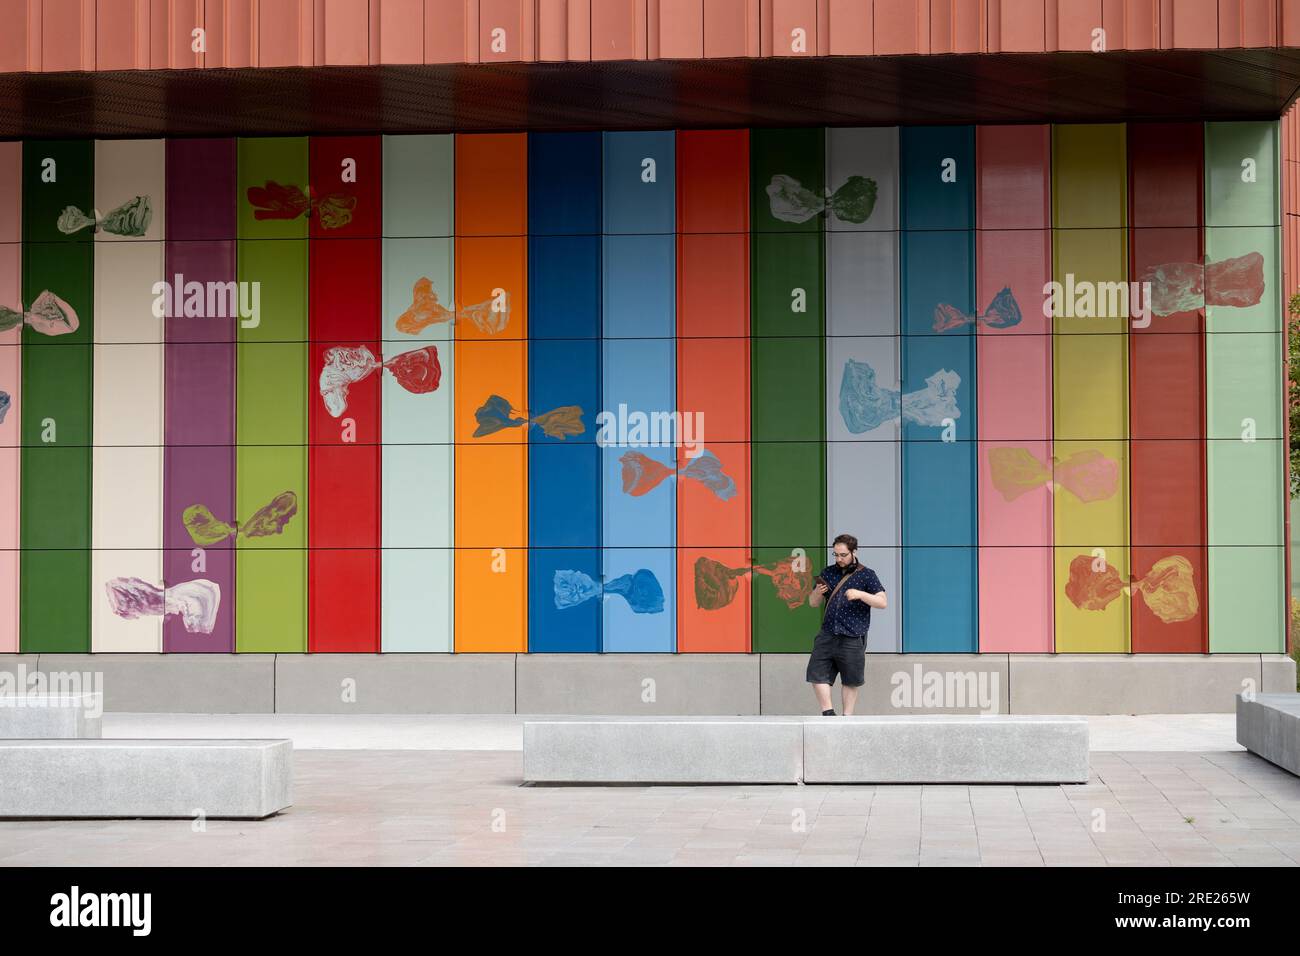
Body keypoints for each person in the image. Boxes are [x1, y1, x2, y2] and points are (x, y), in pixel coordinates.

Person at [806, 533, 887, 716]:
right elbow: (813, 603)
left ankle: (847, 718)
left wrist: (861, 594)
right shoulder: (828, 572)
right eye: (836, 554)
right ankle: (828, 713)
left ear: (854, 552)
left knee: (851, 680)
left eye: (843, 555)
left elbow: (882, 602)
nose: (839, 559)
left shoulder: (867, 575)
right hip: (828, 633)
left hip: (852, 635)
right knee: (817, 673)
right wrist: (818, 592)